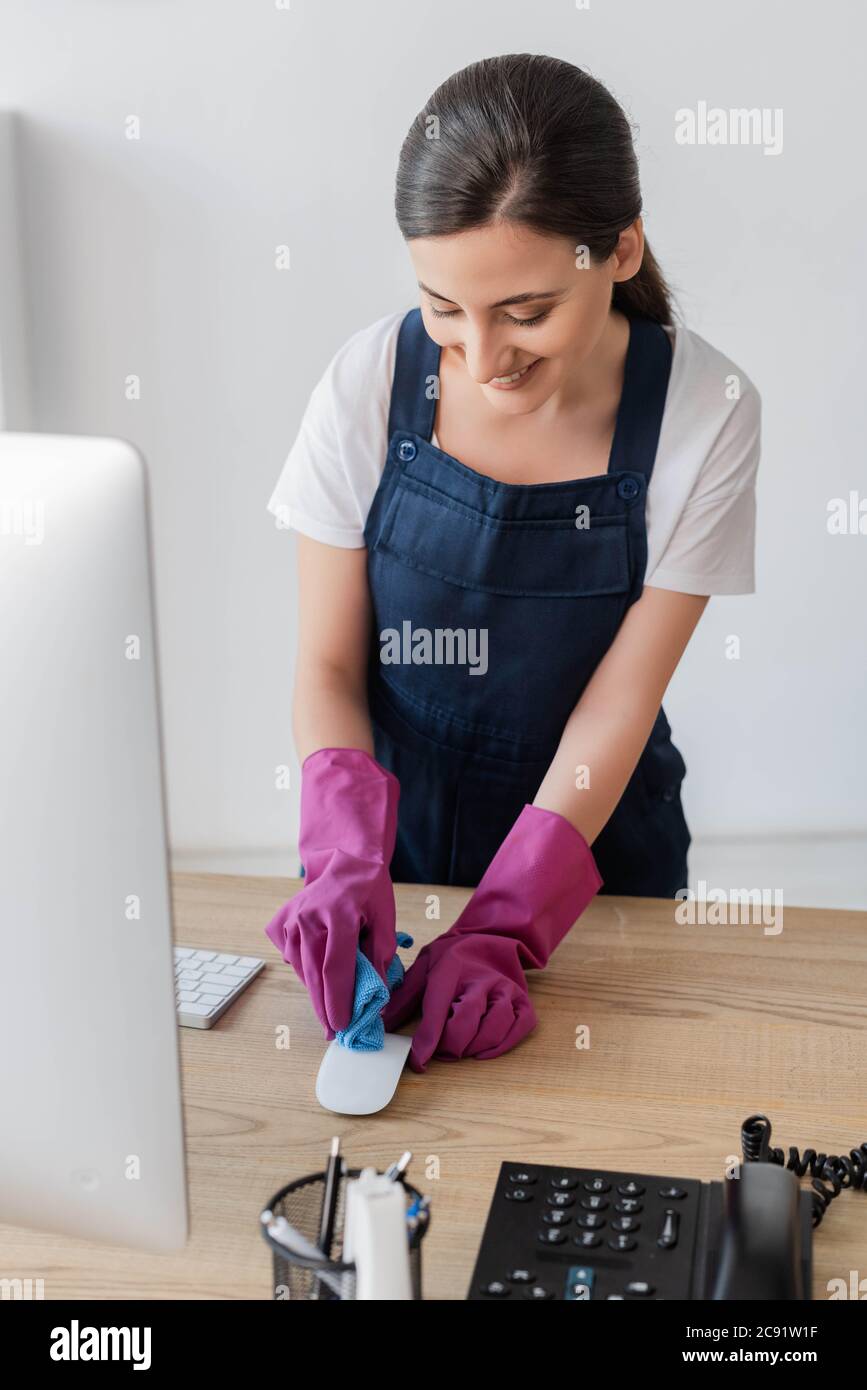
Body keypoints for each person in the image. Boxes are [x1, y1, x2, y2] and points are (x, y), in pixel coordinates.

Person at [263, 54, 761, 1072]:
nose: (481, 360)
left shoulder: (705, 414)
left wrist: (510, 921)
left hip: (590, 867)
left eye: (526, 311)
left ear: (619, 250)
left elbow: (617, 707)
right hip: (390, 859)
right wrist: (346, 852)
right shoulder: (367, 382)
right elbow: (327, 665)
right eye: (445, 307)